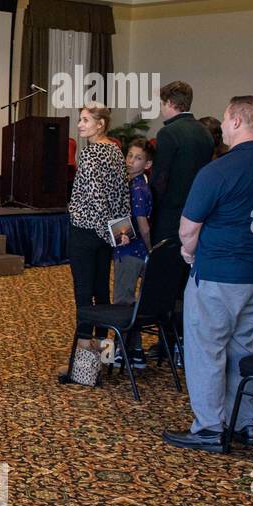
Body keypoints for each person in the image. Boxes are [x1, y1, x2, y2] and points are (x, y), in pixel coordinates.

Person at [164, 97, 253, 452]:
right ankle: (243, 423)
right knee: (242, 350)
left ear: (235, 121)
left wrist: (189, 254)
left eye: (225, 117)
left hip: (220, 273)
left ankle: (208, 429)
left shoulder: (218, 170)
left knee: (206, 352)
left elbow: (188, 228)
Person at [61, 104, 128, 381]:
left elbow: (98, 198)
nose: (80, 125)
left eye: (86, 120)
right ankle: (100, 361)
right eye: (80, 120)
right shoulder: (115, 150)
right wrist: (118, 232)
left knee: (83, 298)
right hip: (109, 234)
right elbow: (123, 193)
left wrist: (101, 231)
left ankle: (83, 369)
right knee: (102, 296)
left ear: (100, 124)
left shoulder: (90, 153)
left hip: (88, 232)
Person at [151, 81, 214, 245]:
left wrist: (151, 205)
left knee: (165, 263)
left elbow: (160, 177)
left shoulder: (168, 133)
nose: (161, 109)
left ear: (170, 103)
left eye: (162, 104)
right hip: (197, 209)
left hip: (170, 212)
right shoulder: (204, 131)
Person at [112, 138, 153, 368]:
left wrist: (150, 250)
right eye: (129, 155)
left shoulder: (137, 188)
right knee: (129, 301)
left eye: (138, 158)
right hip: (130, 248)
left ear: (147, 164)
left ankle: (123, 349)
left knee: (123, 301)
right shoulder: (135, 184)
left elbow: (143, 225)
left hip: (131, 252)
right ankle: (135, 350)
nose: (130, 161)